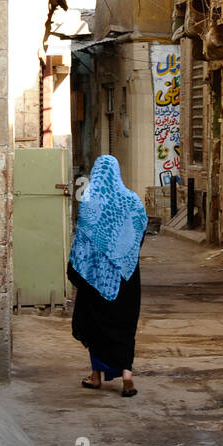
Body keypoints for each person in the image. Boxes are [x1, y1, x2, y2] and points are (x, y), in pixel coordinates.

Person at [67, 154, 147, 397]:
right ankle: (127, 376)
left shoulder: (90, 201)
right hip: (126, 276)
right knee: (124, 324)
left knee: (95, 324)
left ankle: (96, 376)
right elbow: (139, 233)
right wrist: (123, 254)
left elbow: (82, 242)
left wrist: (81, 268)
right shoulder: (132, 200)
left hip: (95, 277)